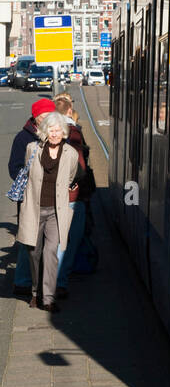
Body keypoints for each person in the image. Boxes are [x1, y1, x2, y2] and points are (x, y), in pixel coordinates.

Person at [16, 110, 79, 313]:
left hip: (56, 212)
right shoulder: (31, 148)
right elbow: (27, 173)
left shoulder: (71, 154)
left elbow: (70, 178)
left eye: (58, 130)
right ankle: (35, 292)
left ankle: (48, 298)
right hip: (34, 209)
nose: (55, 134)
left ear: (64, 132)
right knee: (34, 252)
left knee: (51, 252)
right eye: (51, 130)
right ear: (44, 131)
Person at [10, 98, 57, 296]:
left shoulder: (57, 136)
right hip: (30, 199)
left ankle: (44, 285)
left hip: (52, 199)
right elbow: (14, 168)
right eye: (45, 117)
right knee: (28, 242)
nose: (49, 121)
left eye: (51, 117)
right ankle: (22, 281)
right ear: (36, 118)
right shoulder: (23, 138)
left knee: (50, 244)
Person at [53, 94, 95, 297]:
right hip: (72, 197)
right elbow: (81, 169)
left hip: (53, 197)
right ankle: (58, 281)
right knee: (69, 240)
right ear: (69, 111)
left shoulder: (45, 133)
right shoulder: (74, 134)